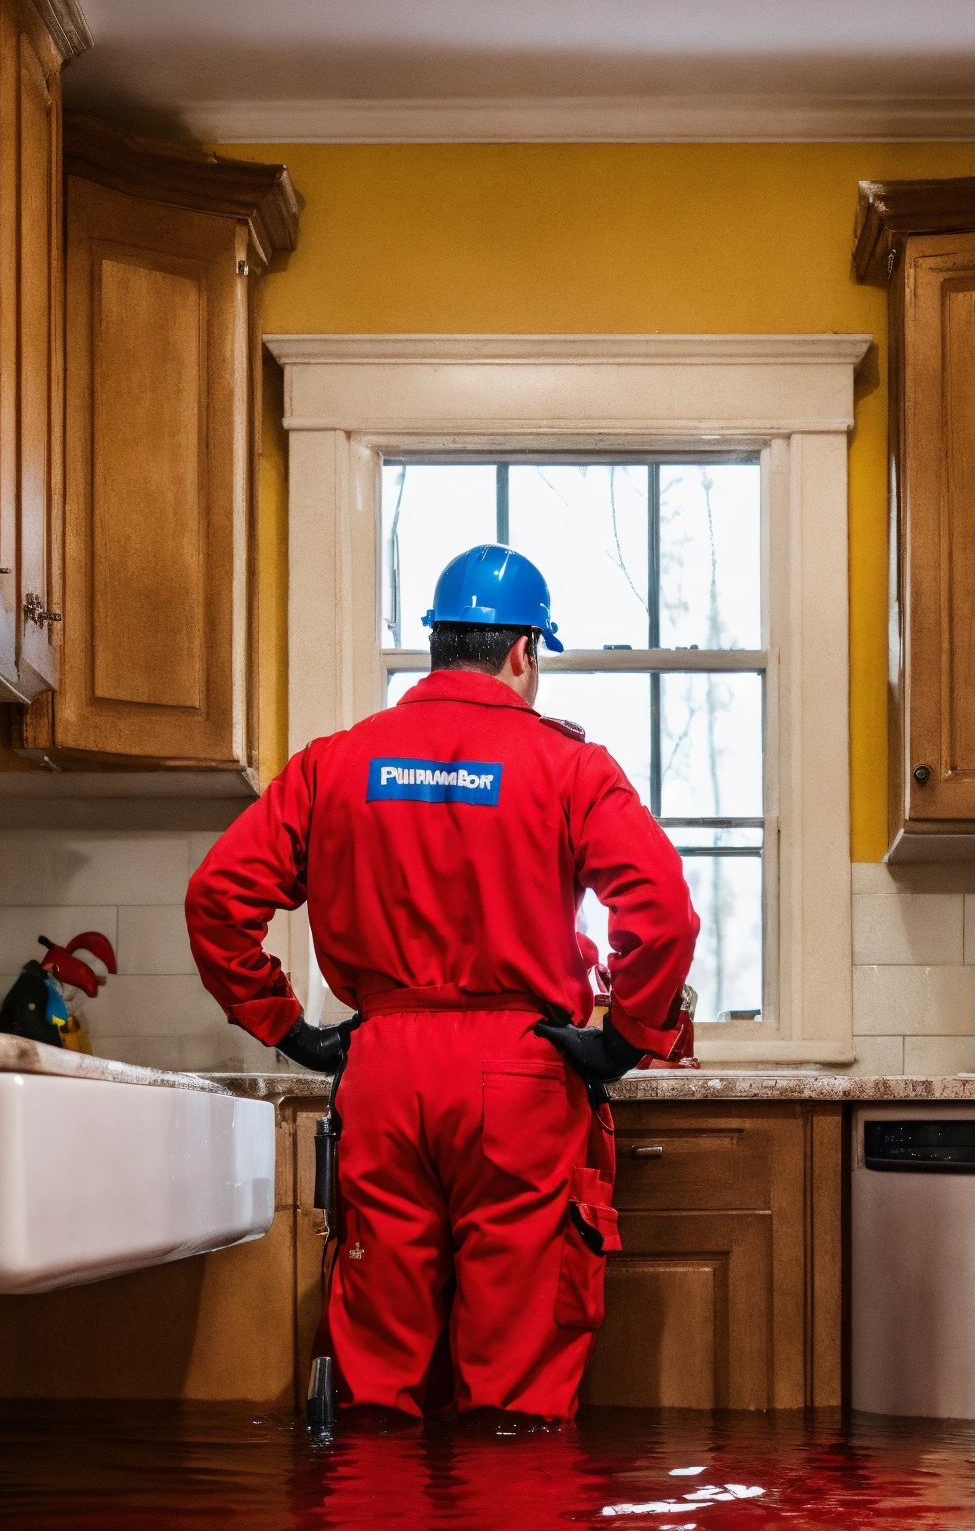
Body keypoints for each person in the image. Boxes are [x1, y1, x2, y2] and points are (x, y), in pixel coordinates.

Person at [185, 543, 698, 1424]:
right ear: (523, 651)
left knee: (378, 1372)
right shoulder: (569, 767)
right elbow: (664, 912)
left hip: (383, 1069)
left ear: (436, 646)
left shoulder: (335, 764)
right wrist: (624, 1039)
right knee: (517, 1377)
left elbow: (216, 899)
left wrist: (290, 1028)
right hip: (523, 1076)